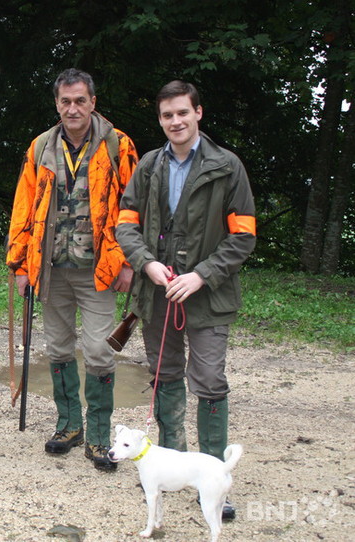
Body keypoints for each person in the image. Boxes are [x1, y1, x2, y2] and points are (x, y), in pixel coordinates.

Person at [116, 80, 256, 518]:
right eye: (166, 115)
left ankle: (213, 479)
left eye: (182, 112)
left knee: (210, 382)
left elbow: (244, 235)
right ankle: (172, 467)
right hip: (158, 296)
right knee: (166, 376)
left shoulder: (227, 166)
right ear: (160, 119)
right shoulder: (149, 166)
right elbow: (125, 225)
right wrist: (146, 264)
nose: (175, 121)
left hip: (208, 296)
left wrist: (202, 275)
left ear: (198, 113)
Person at [6, 69, 137, 469]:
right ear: (57, 104)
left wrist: (130, 261)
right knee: (58, 348)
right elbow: (23, 208)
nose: (73, 108)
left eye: (80, 100)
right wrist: (20, 263)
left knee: (99, 349)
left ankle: (99, 435)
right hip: (50, 268)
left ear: (93, 102)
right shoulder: (40, 147)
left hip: (100, 268)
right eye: (66, 101)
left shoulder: (118, 145)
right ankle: (69, 425)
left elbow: (135, 209)